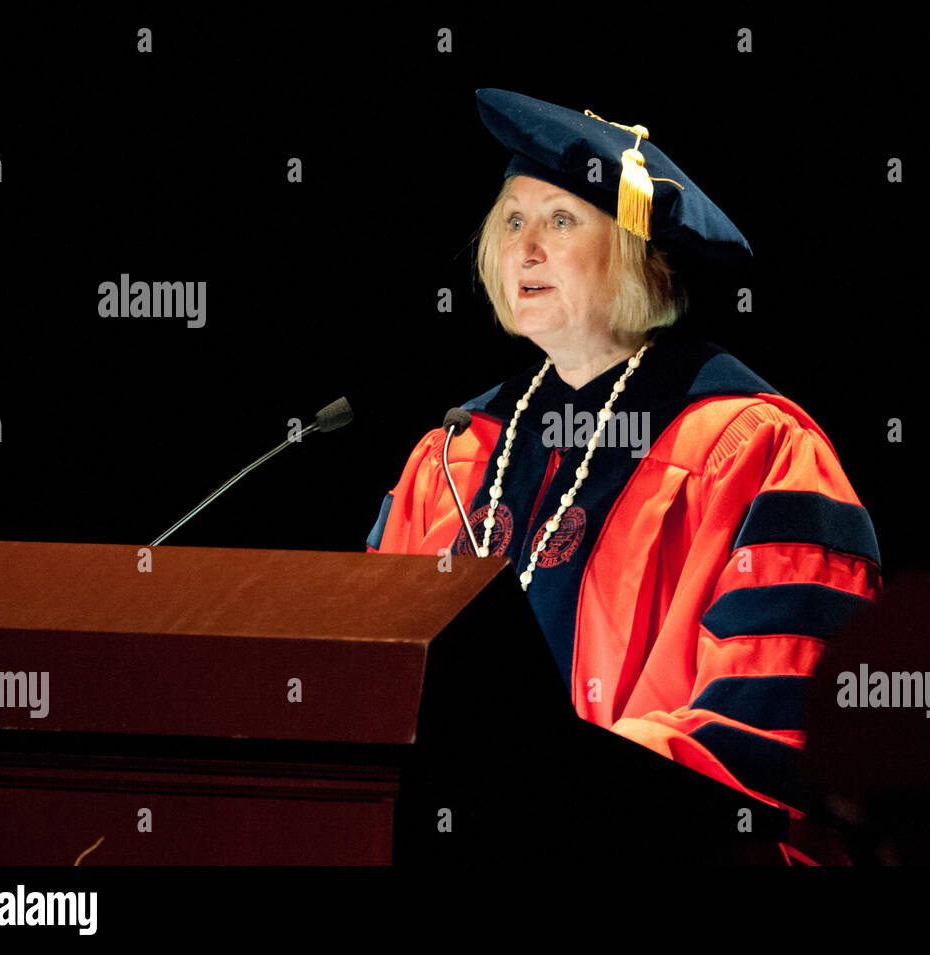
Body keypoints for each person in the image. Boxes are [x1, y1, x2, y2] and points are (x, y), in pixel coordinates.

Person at [367, 89, 882, 856]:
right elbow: (368, 686)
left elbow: (768, 718)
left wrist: (553, 804)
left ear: (633, 251)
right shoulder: (450, 457)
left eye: (560, 220)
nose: (525, 248)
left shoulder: (751, 448)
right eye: (511, 220)